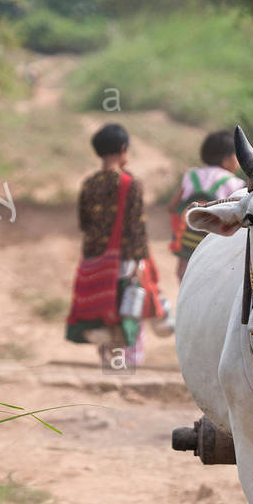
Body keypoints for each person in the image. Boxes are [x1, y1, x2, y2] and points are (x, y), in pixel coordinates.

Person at [66, 123, 165, 368]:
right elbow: (136, 227)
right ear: (124, 149)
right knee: (128, 307)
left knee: (104, 308)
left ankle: (106, 357)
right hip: (124, 258)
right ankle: (126, 362)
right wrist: (140, 262)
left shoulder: (88, 184)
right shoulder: (131, 184)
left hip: (95, 259)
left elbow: (83, 223)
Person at [169, 130, 247, 280]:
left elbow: (172, 207)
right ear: (226, 160)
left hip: (187, 239)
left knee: (184, 274)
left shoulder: (191, 175)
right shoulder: (234, 183)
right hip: (213, 242)